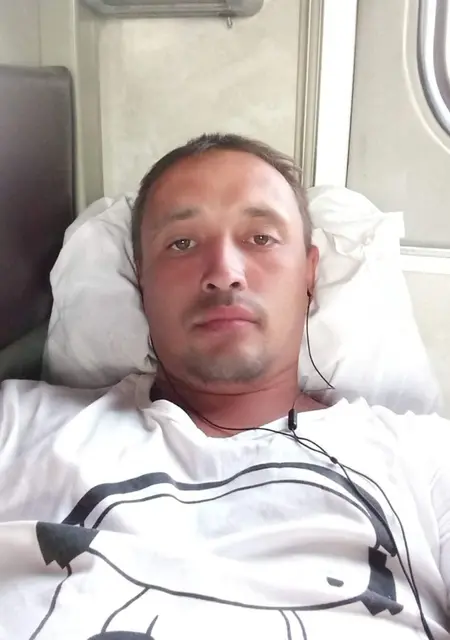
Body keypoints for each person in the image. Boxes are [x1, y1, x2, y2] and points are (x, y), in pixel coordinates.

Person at [0, 133, 449, 640]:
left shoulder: (427, 464)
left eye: (261, 238)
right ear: (142, 282)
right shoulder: (18, 427)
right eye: (182, 243)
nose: (224, 273)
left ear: (309, 273)